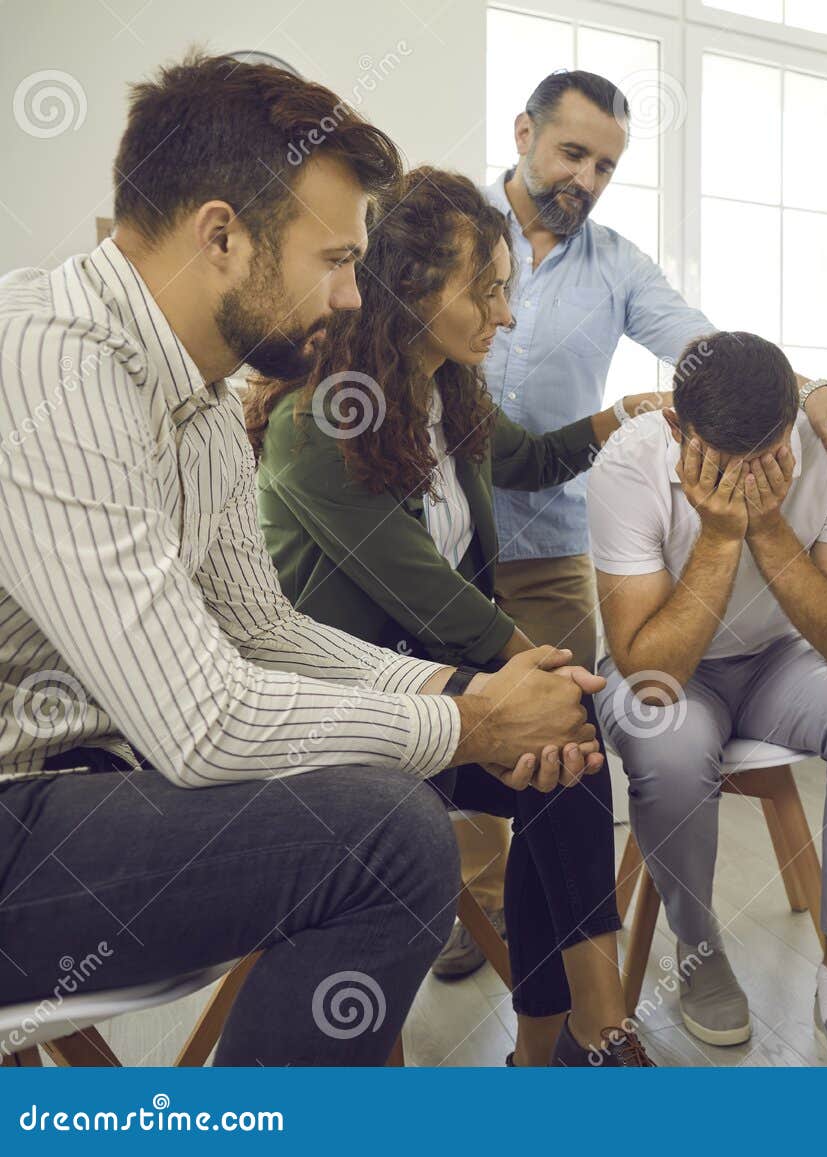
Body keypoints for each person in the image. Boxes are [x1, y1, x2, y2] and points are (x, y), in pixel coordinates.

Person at [0, 55, 600, 1065]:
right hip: (24, 812)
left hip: (101, 776)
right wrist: (467, 716)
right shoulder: (52, 364)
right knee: (393, 835)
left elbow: (262, 628)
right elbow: (202, 721)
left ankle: (570, 1045)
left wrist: (477, 697)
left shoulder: (196, 395)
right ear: (223, 236)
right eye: (333, 258)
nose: (349, 293)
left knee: (500, 775)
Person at [440, 69, 827, 979]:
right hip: (443, 539)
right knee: (465, 727)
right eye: (573, 153)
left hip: (555, 542)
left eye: (606, 165)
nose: (588, 180)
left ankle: (548, 935)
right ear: (523, 133)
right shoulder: (454, 232)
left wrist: (811, 388)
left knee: (552, 748)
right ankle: (473, 914)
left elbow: (714, 354)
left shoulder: (621, 265)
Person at [246, 167, 670, 1066]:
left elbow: (531, 459)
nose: (505, 315)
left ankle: (561, 1040)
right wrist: (543, 674)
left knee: (565, 754)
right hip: (342, 721)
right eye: (486, 291)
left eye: (504, 290)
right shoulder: (316, 424)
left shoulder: (448, 392)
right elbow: (437, 605)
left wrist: (622, 414)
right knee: (568, 728)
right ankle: (595, 1036)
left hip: (438, 696)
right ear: (407, 290)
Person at [587, 330, 827, 1065]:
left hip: (777, 663)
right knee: (668, 743)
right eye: (727, 463)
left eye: (768, 456)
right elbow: (647, 669)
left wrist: (767, 527)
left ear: (792, 416)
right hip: (669, 673)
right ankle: (697, 954)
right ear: (677, 426)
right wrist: (721, 535)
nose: (752, 476)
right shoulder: (627, 464)